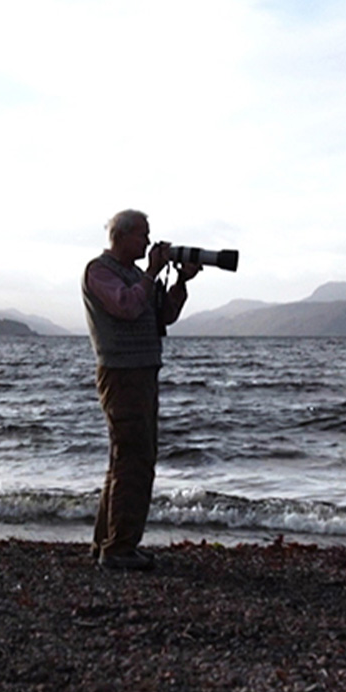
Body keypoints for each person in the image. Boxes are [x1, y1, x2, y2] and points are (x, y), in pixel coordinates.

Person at [82, 209, 200, 570]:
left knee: (126, 459)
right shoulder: (99, 271)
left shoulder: (134, 274)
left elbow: (162, 315)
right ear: (121, 236)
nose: (149, 242)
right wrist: (151, 272)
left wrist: (180, 282)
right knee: (133, 459)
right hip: (121, 373)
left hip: (143, 372)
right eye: (143, 235)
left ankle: (107, 542)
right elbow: (127, 307)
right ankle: (118, 550)